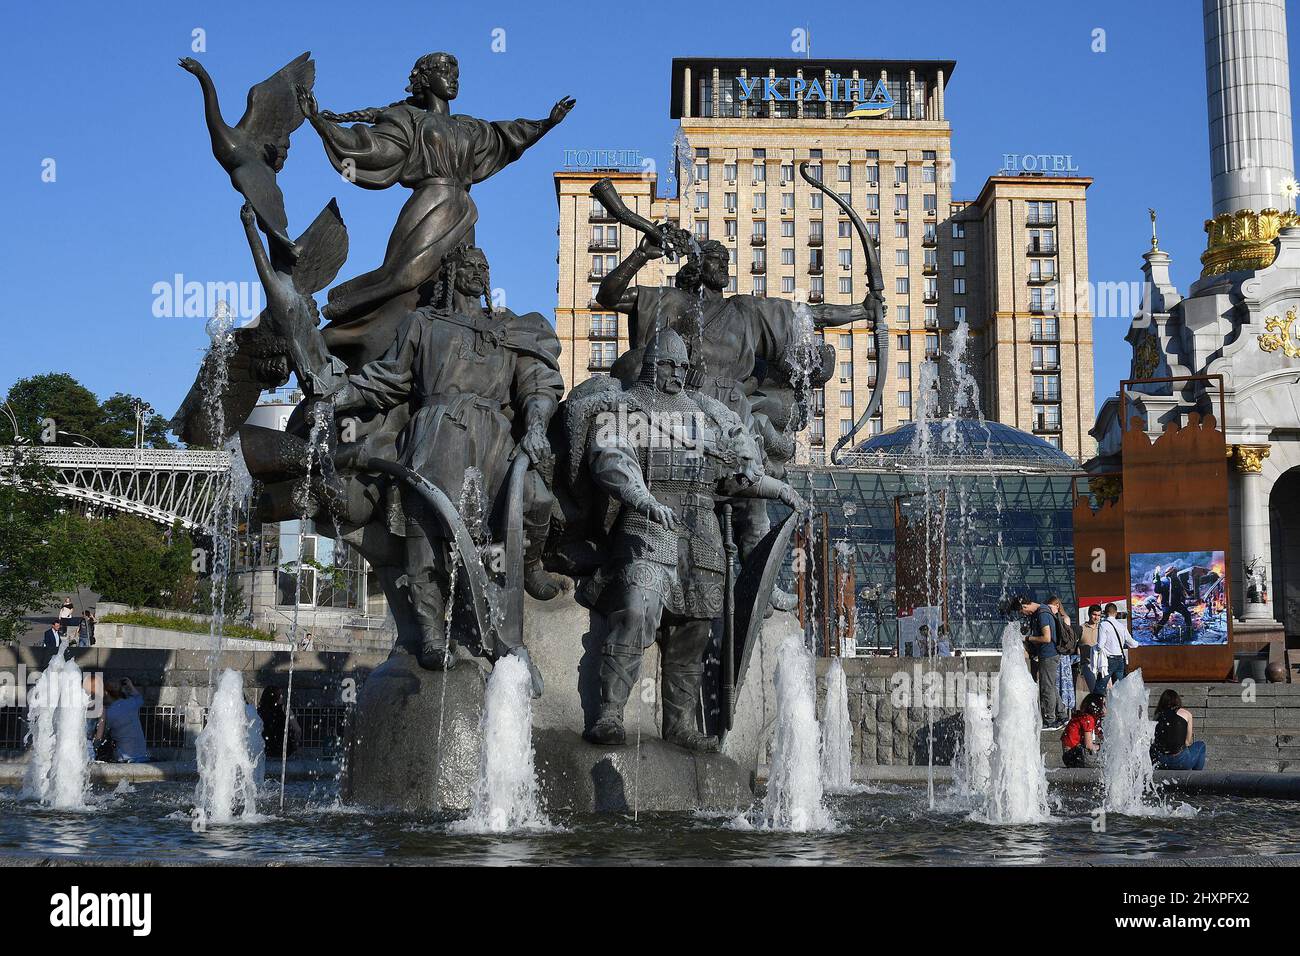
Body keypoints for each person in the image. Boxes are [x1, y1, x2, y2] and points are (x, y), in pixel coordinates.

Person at [1019, 599, 1068, 729]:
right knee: (1050, 686)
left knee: (1046, 688)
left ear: (1025, 605)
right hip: (1049, 654)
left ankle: (1050, 720)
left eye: (1023, 611)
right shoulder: (1043, 611)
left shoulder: (1042, 614)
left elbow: (1046, 637)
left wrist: (1027, 638)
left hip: (1048, 655)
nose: (1025, 615)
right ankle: (1062, 715)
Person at [1151, 689, 1207, 770]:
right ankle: (1196, 778)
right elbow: (1187, 742)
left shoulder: (1157, 715)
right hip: (1180, 761)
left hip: (1160, 761)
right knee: (1201, 745)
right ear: (1177, 700)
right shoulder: (1186, 714)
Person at [100, 678, 151, 763]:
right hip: (142, 756)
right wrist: (131, 686)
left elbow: (102, 735)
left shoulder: (108, 713)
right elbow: (140, 699)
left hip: (124, 758)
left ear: (105, 693)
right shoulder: (131, 703)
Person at [1096, 602, 1139, 693]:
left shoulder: (1103, 625)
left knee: (1100, 687)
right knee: (1119, 689)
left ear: (1104, 612)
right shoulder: (1121, 626)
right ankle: (1118, 706)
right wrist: (1138, 643)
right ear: (1115, 613)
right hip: (1120, 660)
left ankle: (1097, 706)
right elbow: (1132, 643)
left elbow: (1100, 645)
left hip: (1109, 661)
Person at [1061, 693, 1106, 768]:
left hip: (1072, 755)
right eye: (1104, 704)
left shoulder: (1087, 717)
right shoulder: (1088, 719)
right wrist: (1103, 747)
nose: (1106, 707)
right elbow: (1089, 746)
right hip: (1074, 756)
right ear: (1096, 706)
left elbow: (1101, 735)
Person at [258, 686, 302, 761]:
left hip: (266, 750)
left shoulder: (259, 712)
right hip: (284, 750)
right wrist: (296, 745)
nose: (282, 696)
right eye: (279, 695)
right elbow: (298, 730)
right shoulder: (285, 710)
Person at [1079, 604, 1104, 692]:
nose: (1096, 617)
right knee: (1094, 691)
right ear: (1089, 614)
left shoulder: (1102, 628)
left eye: (1098, 615)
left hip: (1102, 665)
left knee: (1105, 692)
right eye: (1094, 614)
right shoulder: (1081, 628)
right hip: (1087, 665)